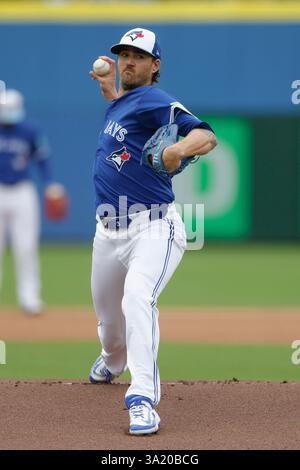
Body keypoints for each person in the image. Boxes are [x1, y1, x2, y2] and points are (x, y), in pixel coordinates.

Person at [89, 28, 217, 435]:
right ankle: (112, 361)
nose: (128, 61)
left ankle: (142, 399)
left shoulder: (155, 99)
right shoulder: (125, 101)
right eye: (124, 54)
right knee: (110, 327)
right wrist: (110, 90)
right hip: (108, 232)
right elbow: (126, 124)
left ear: (154, 65)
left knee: (138, 300)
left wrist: (178, 149)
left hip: (153, 227)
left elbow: (205, 134)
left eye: (138, 56)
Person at [0, 89, 57, 315]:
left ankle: (29, 297)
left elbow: (42, 158)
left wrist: (50, 183)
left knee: (26, 246)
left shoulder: (29, 130)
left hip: (23, 191)